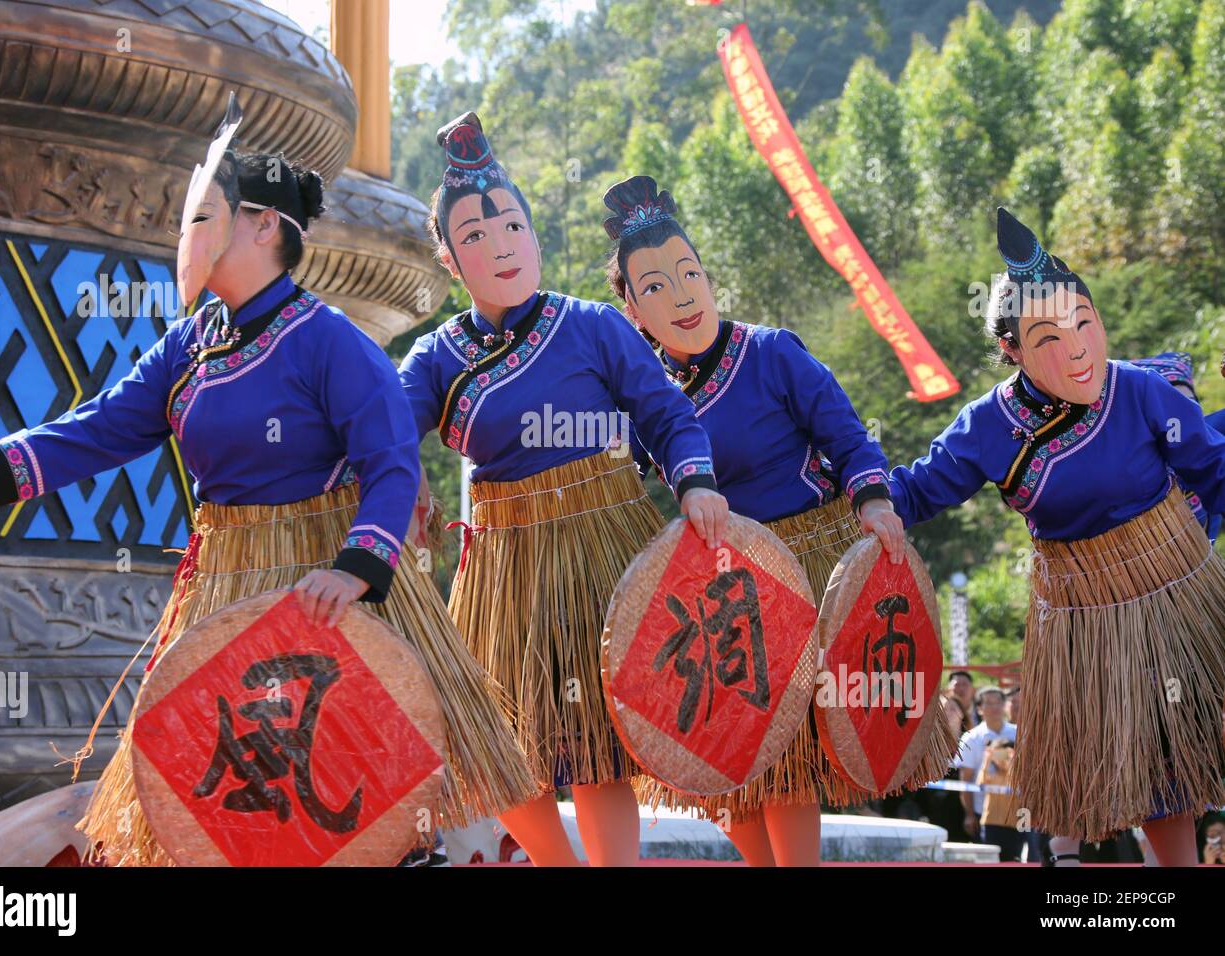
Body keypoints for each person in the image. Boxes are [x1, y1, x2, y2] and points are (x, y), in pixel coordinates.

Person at [0, 98, 537, 864]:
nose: (188, 235)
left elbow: (390, 460)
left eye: (206, 215)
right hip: (225, 582)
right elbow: (101, 428)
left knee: (354, 795)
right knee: (221, 806)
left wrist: (355, 569)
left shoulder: (329, 341)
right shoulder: (187, 348)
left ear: (262, 225)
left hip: (325, 590)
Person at [399, 116, 729, 867]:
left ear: (534, 232)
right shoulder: (437, 356)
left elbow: (667, 412)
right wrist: (404, 480)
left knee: (596, 747)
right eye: (476, 237)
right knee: (497, 739)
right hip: (502, 566)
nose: (502, 243)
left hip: (601, 541)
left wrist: (695, 480)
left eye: (512, 223)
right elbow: (384, 429)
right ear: (451, 259)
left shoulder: (590, 326)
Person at [601, 175, 954, 866]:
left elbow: (847, 436)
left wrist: (875, 501)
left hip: (804, 567)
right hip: (722, 593)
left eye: (689, 273)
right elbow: (626, 476)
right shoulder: (644, 396)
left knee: (787, 762)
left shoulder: (770, 352)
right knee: (727, 769)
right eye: (654, 286)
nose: (680, 294)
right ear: (633, 313)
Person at [889, 207, 1225, 866]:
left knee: (1192, 743)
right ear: (1011, 348)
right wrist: (854, 492)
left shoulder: (1138, 391)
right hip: (1084, 621)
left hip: (1179, 592)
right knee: (1155, 770)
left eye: (1081, 324)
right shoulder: (986, 426)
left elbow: (1213, 467)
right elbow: (917, 492)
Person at [1132, 352, 1221, 542]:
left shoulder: (1207, 439)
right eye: (1171, 406)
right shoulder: (1136, 473)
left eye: (1188, 402)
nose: (1182, 412)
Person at [957, 688, 1022, 861]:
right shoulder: (971, 738)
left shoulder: (1019, 733)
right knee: (988, 859)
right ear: (979, 708)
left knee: (1016, 858)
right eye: (989, 703)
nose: (994, 707)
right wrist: (969, 814)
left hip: (1017, 811)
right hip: (984, 813)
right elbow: (966, 779)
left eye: (998, 702)